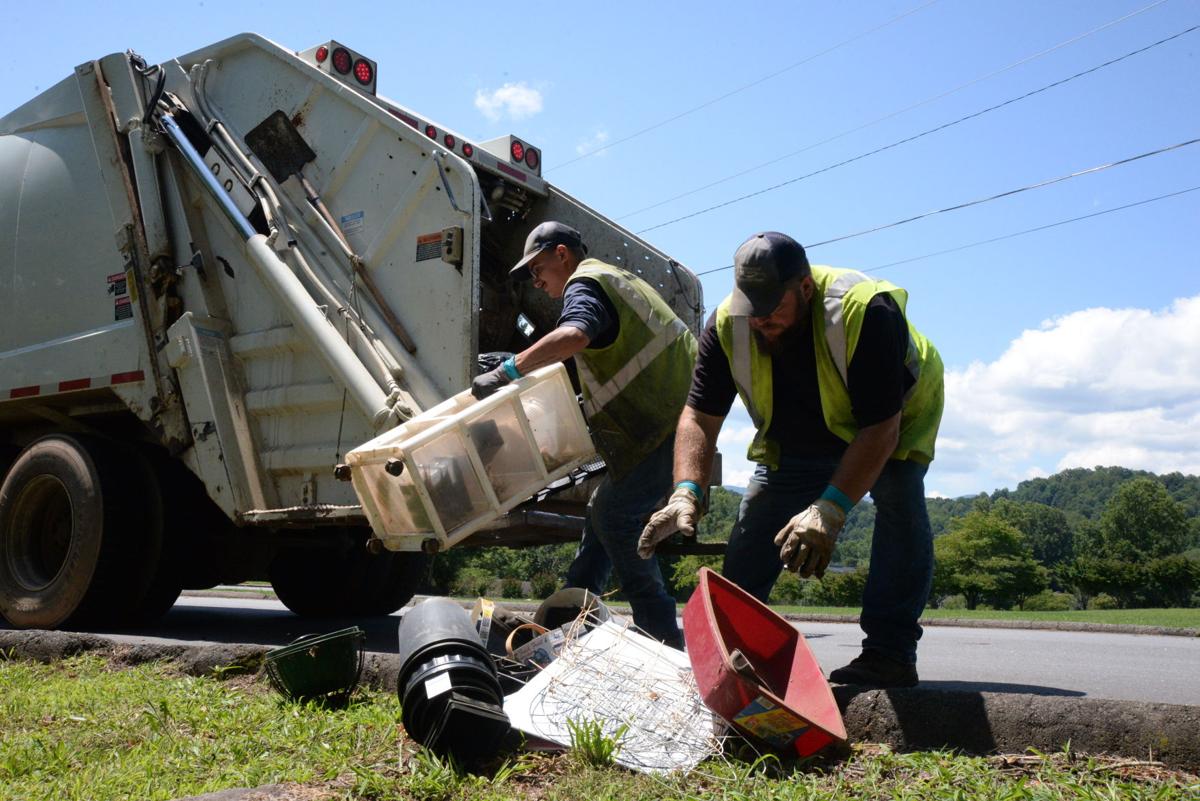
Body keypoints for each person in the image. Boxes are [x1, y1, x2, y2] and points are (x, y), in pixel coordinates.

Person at [639, 231, 944, 686]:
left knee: (898, 495)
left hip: (885, 424)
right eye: (751, 308)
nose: (759, 320)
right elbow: (699, 418)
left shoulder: (864, 310)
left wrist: (830, 508)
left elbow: (879, 429)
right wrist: (686, 491)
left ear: (804, 288)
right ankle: (733, 659)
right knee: (755, 528)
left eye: (771, 308)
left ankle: (890, 653)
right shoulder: (728, 323)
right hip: (798, 437)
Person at [473, 221, 698, 648]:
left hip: (665, 421)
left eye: (538, 268)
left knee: (615, 516)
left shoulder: (585, 285)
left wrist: (507, 371)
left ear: (563, 254)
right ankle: (569, 616)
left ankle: (662, 635)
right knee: (601, 509)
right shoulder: (612, 280)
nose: (536, 282)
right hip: (674, 414)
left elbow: (575, 334)